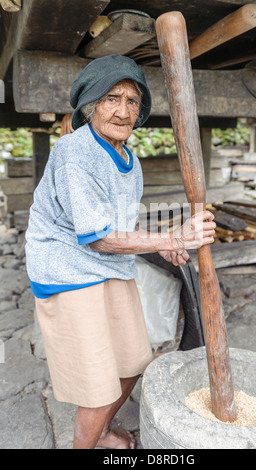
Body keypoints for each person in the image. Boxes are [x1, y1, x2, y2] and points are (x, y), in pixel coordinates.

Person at [25, 55, 216, 449]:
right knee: (96, 387)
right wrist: (172, 239)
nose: (123, 110)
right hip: (68, 271)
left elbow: (118, 226)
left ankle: (103, 430)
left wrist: (161, 247)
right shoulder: (75, 153)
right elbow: (97, 236)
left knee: (132, 362)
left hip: (109, 265)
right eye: (112, 98)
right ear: (92, 105)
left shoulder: (130, 159)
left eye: (132, 101)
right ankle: (89, 441)